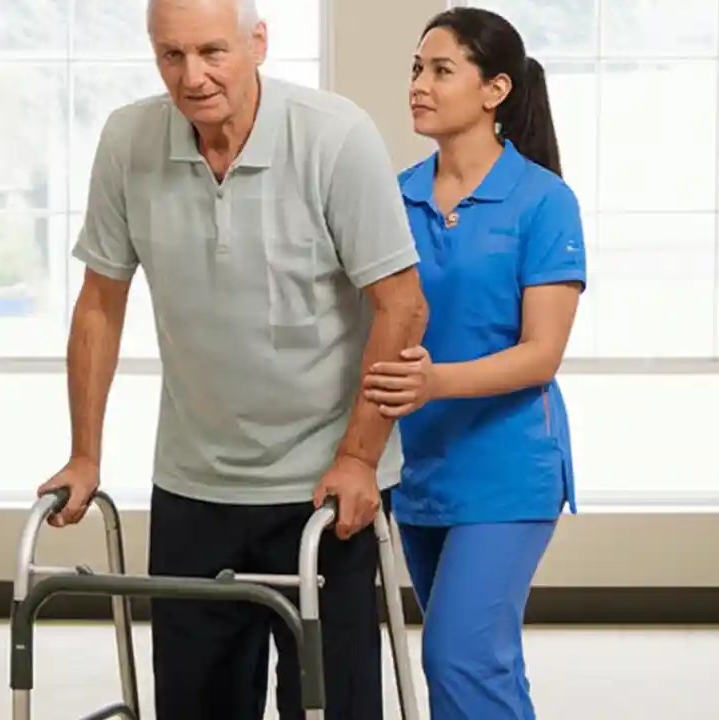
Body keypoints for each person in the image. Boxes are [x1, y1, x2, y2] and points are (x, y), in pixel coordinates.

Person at [35, 0, 428, 717]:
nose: (192, 76)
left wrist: (361, 459)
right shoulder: (129, 139)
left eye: (213, 52)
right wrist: (84, 455)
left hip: (323, 486)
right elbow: (99, 302)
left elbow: (402, 306)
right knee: (197, 707)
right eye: (171, 55)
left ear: (259, 43)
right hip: (194, 484)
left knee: (328, 705)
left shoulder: (334, 137)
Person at [360, 7, 586, 720]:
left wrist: (433, 383)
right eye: (416, 70)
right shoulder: (393, 197)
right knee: (484, 662)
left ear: (495, 90)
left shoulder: (544, 201)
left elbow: (541, 353)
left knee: (456, 656)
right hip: (420, 470)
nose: (419, 85)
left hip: (510, 468)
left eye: (440, 69)